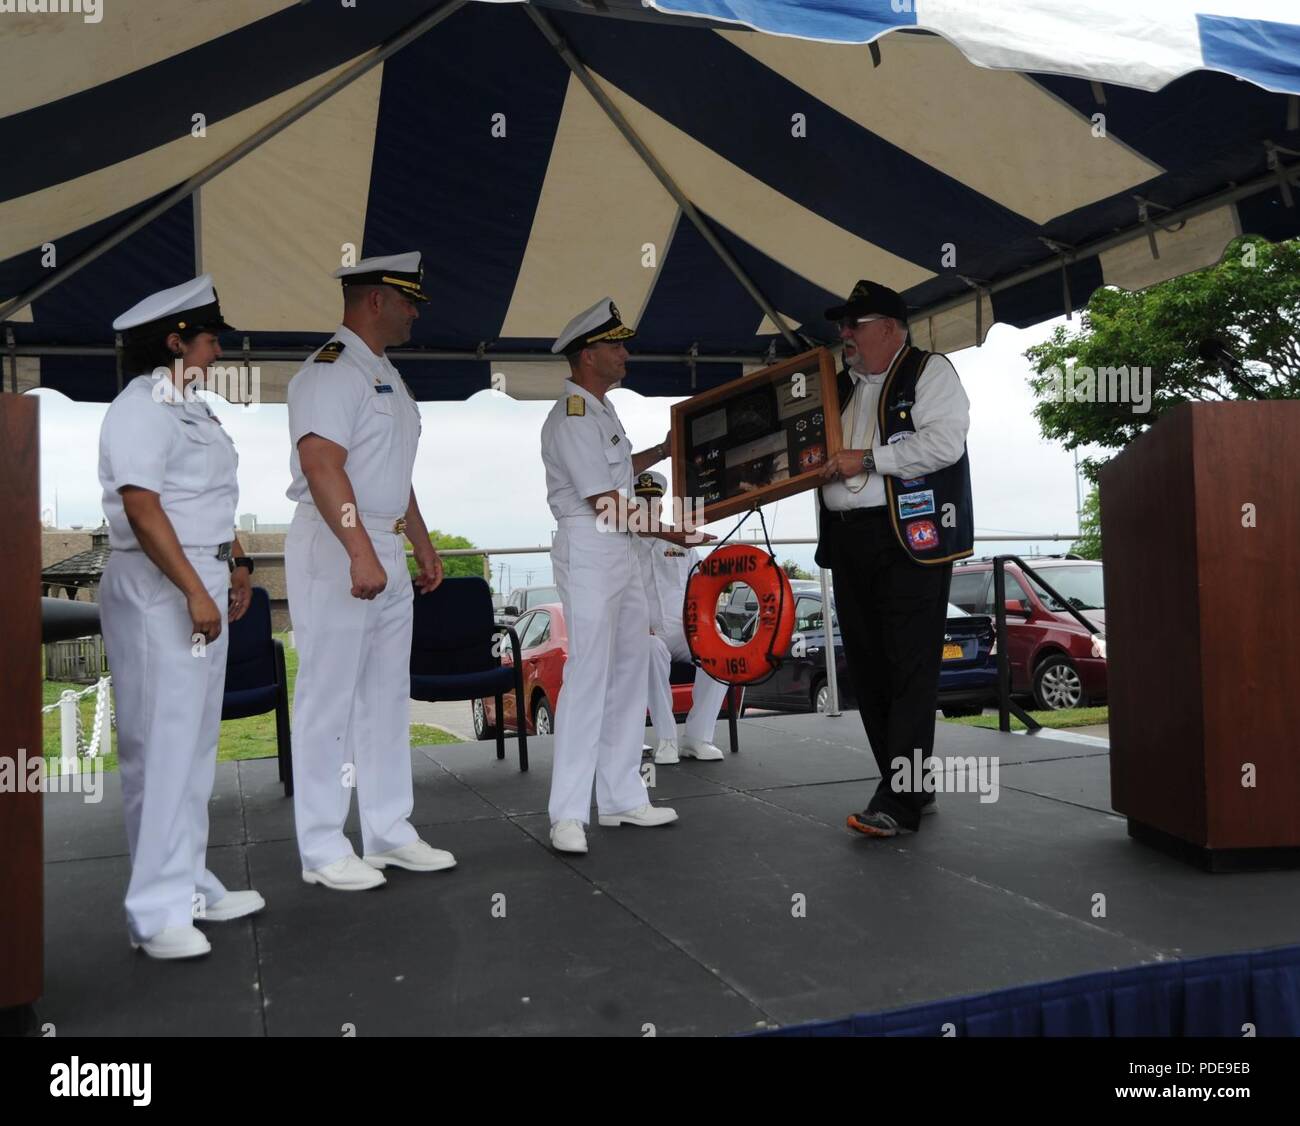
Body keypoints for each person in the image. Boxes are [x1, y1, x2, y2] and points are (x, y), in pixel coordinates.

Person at [99, 275, 263, 960]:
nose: (218, 350)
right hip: (159, 585)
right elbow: (143, 506)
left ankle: (189, 884)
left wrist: (239, 561)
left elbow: (209, 499)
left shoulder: (187, 406)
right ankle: (154, 912)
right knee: (160, 749)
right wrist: (197, 589)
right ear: (175, 341)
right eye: (209, 337)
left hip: (199, 572)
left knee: (194, 748)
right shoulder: (140, 407)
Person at [285, 252, 452, 890]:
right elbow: (324, 464)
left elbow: (392, 475)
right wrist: (357, 548)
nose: (415, 312)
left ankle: (388, 831)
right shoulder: (330, 371)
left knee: (385, 697)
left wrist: (422, 542)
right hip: (337, 543)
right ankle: (323, 846)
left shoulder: (385, 373)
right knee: (328, 699)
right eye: (407, 300)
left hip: (379, 540)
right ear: (375, 299)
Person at [816, 279, 974, 838]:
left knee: (910, 666)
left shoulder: (930, 372)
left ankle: (899, 801)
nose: (844, 335)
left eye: (853, 325)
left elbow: (944, 443)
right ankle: (907, 782)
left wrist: (868, 459)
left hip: (911, 540)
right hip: (848, 541)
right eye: (842, 326)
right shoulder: (835, 387)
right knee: (868, 669)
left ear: (888, 328)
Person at [540, 298, 679, 854]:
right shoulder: (571, 416)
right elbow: (601, 499)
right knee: (589, 675)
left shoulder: (601, 411)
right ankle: (567, 814)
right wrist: (671, 531)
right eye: (615, 345)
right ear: (588, 354)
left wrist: (663, 451)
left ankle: (622, 796)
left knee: (629, 669)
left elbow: (615, 474)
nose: (625, 354)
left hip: (619, 543)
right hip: (592, 542)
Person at [634, 471, 727, 765]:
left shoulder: (681, 544)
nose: (649, 509)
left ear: (660, 507)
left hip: (683, 630)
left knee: (721, 646)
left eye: (653, 503)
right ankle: (666, 738)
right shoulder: (623, 546)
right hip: (643, 633)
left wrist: (703, 623)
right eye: (642, 503)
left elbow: (702, 588)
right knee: (650, 650)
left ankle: (698, 737)